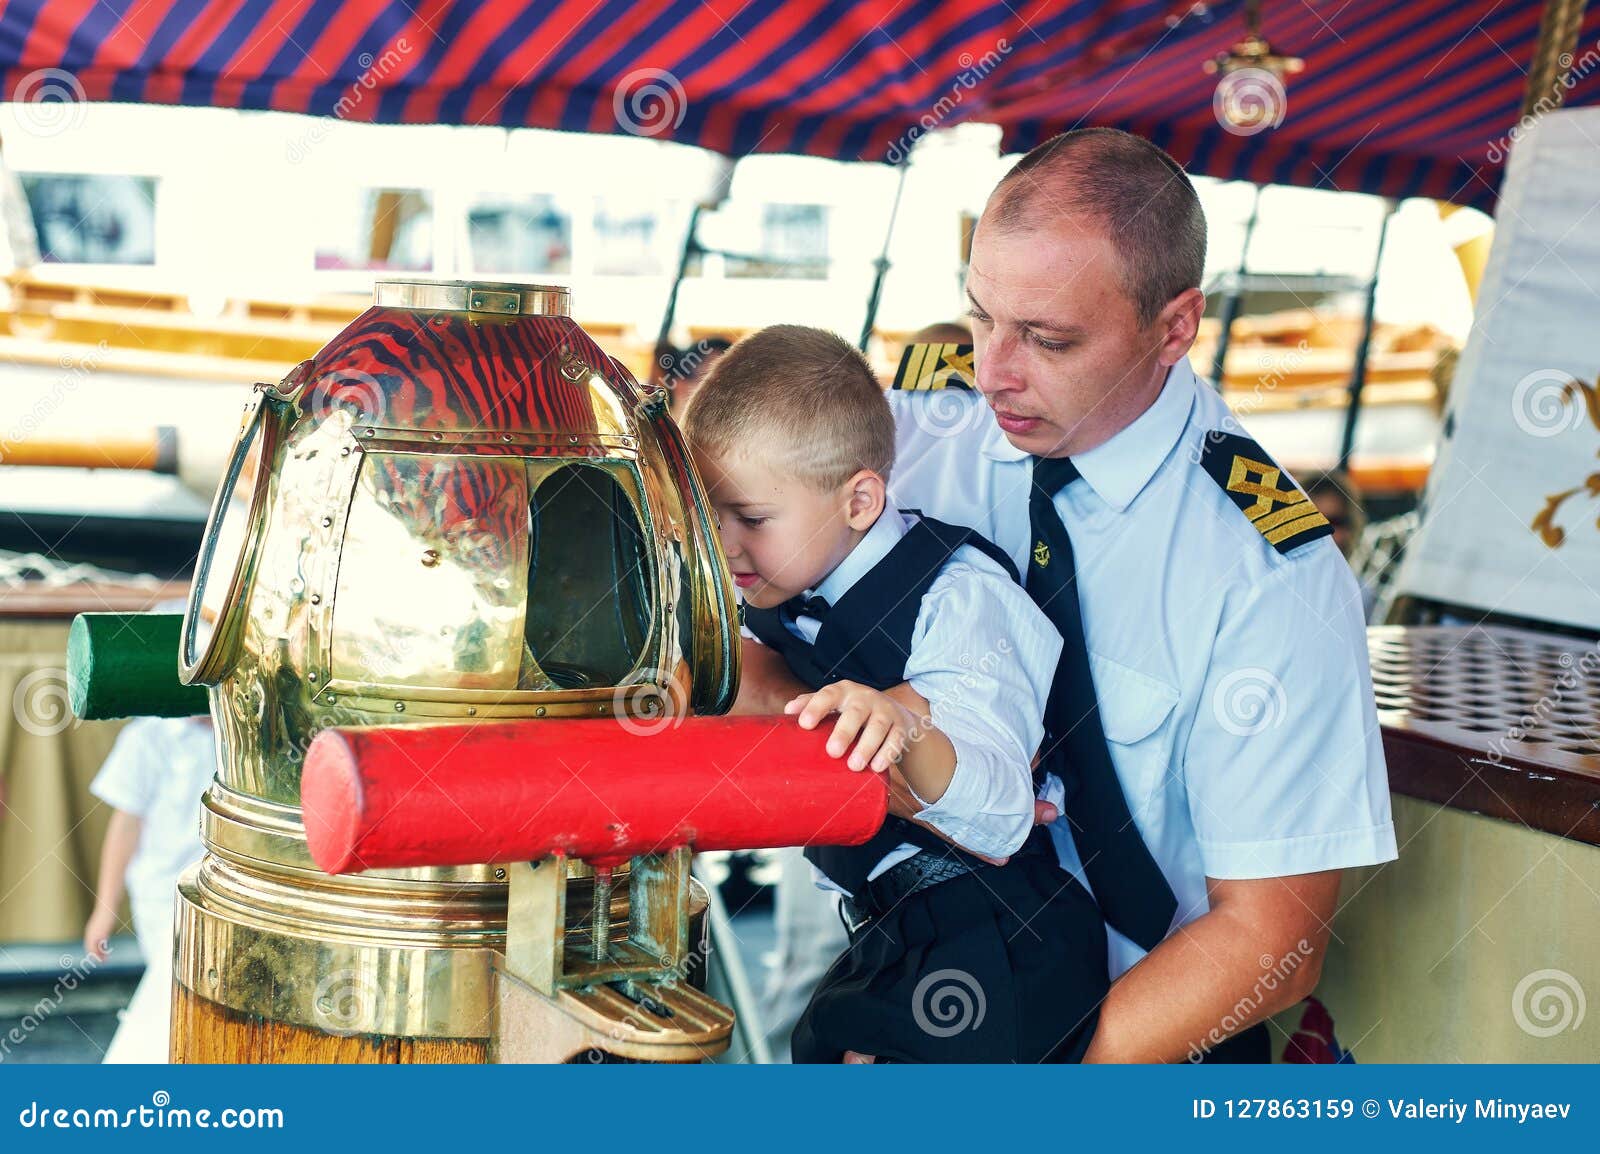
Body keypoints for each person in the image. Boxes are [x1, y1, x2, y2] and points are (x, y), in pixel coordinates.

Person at [868, 127, 1397, 1063]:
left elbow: (1273, 940)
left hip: (1130, 1047)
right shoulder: (912, 433)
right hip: (896, 984)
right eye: (981, 317)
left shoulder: (1269, 571)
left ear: (1175, 327)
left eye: (1049, 339)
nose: (991, 371)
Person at [684, 325, 1107, 1063]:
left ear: (859, 500)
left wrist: (902, 729)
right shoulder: (783, 588)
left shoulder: (958, 596)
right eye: (708, 514)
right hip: (887, 929)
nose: (724, 544)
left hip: (997, 940)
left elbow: (1002, 813)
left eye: (751, 519)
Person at [85, 712, 215, 1063]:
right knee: (172, 983)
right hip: (162, 892)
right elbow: (125, 827)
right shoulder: (145, 737)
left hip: (220, 890)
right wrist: (105, 909)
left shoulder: (240, 734)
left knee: (193, 993)